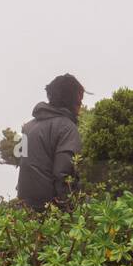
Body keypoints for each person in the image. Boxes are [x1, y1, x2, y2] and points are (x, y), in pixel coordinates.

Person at [15, 73, 85, 210]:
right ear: (73, 100)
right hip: (50, 213)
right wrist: (71, 210)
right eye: (80, 99)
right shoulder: (67, 128)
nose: (81, 105)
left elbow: (22, 165)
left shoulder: (28, 127)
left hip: (24, 211)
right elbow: (64, 175)